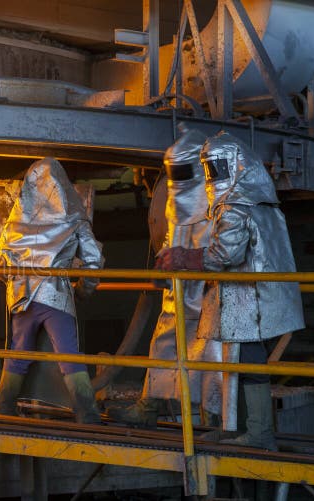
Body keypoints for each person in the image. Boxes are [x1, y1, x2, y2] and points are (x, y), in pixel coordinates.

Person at [157, 131, 305, 450]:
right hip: (254, 297)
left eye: (216, 168)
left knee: (247, 364)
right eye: (208, 169)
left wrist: (185, 257)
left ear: (235, 165)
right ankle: (234, 427)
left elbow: (226, 255)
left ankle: (259, 433)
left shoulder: (235, 205)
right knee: (237, 364)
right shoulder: (259, 200)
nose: (212, 178)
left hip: (247, 299)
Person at [108, 127, 222, 428]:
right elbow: (173, 235)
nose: (179, 180)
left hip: (210, 295)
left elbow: (225, 252)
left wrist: (188, 258)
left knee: (211, 357)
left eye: (184, 171)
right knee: (163, 344)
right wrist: (165, 257)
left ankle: (215, 421)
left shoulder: (218, 201)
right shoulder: (176, 197)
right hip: (178, 292)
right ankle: (148, 408)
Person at [0, 157, 104, 423]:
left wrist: (18, 281)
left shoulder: (14, 221)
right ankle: (87, 414)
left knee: (18, 351)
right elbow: (93, 262)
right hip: (56, 297)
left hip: (21, 298)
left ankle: (3, 408)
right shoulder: (75, 219)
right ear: (63, 186)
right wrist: (84, 291)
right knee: (69, 356)